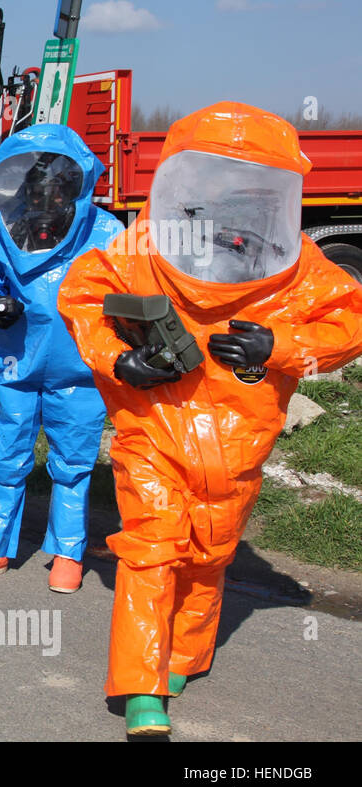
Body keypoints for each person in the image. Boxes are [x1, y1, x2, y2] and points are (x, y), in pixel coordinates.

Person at [58, 102, 362, 736]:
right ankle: (141, 687)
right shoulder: (144, 246)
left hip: (238, 444)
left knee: (209, 554)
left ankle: (185, 657)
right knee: (150, 549)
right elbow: (83, 295)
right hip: (153, 430)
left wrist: (275, 345)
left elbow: (348, 320)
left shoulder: (293, 262)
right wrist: (122, 362)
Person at [0, 125, 125, 593]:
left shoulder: (106, 231)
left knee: (73, 463)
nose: (46, 195)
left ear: (75, 185)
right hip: (17, 366)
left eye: (57, 184)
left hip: (80, 371)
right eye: (36, 184)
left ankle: (68, 552)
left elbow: (130, 292)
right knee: (5, 458)